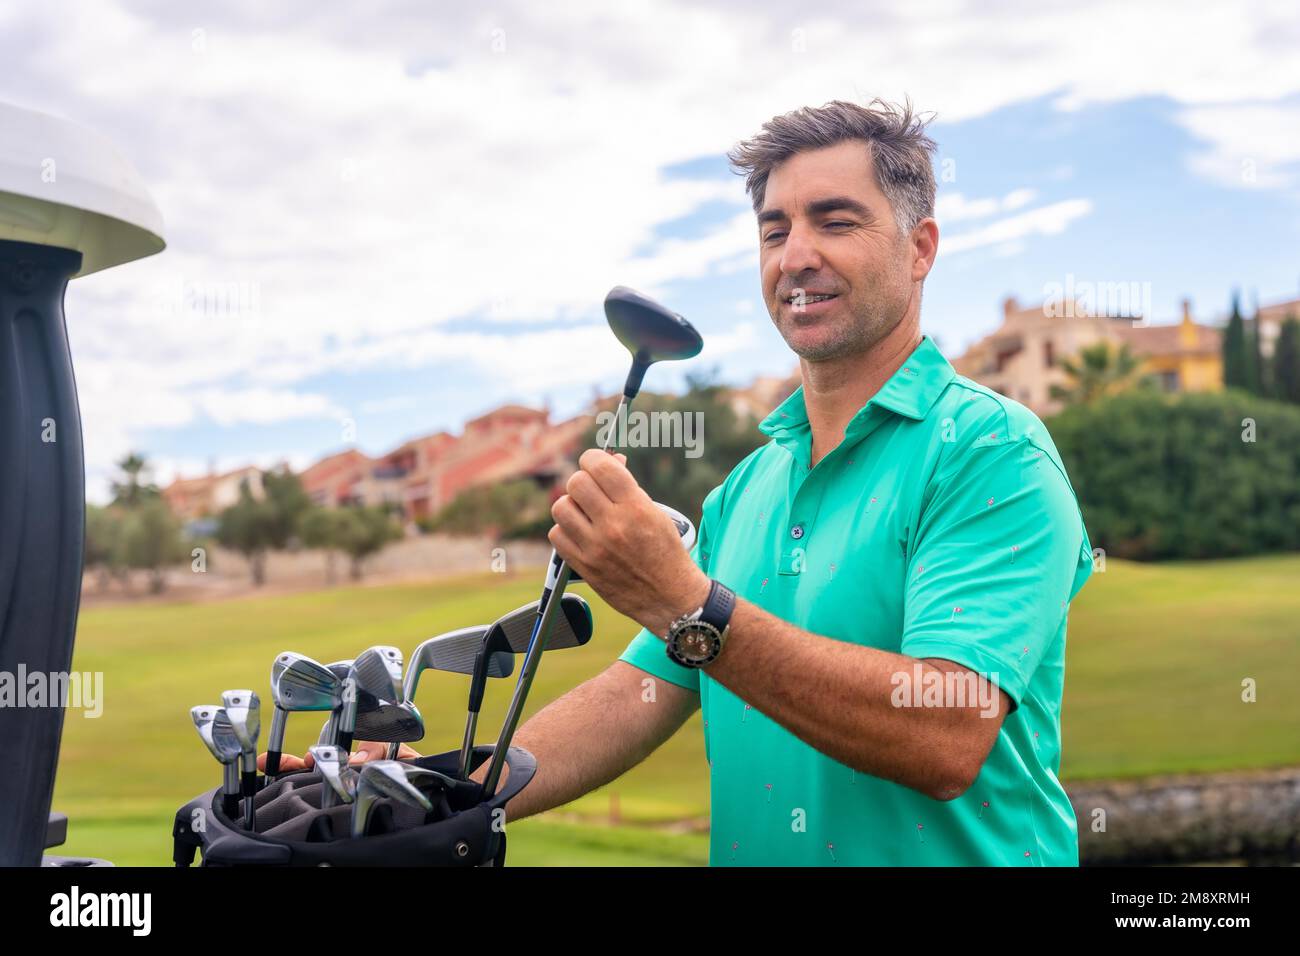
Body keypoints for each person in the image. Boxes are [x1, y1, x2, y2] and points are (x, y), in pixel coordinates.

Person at [315, 97, 1095, 866]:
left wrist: (686, 603)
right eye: (774, 230)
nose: (795, 256)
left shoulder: (993, 452)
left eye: (836, 220)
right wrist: (422, 795)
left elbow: (945, 733)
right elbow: (635, 697)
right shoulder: (746, 489)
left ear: (919, 247)